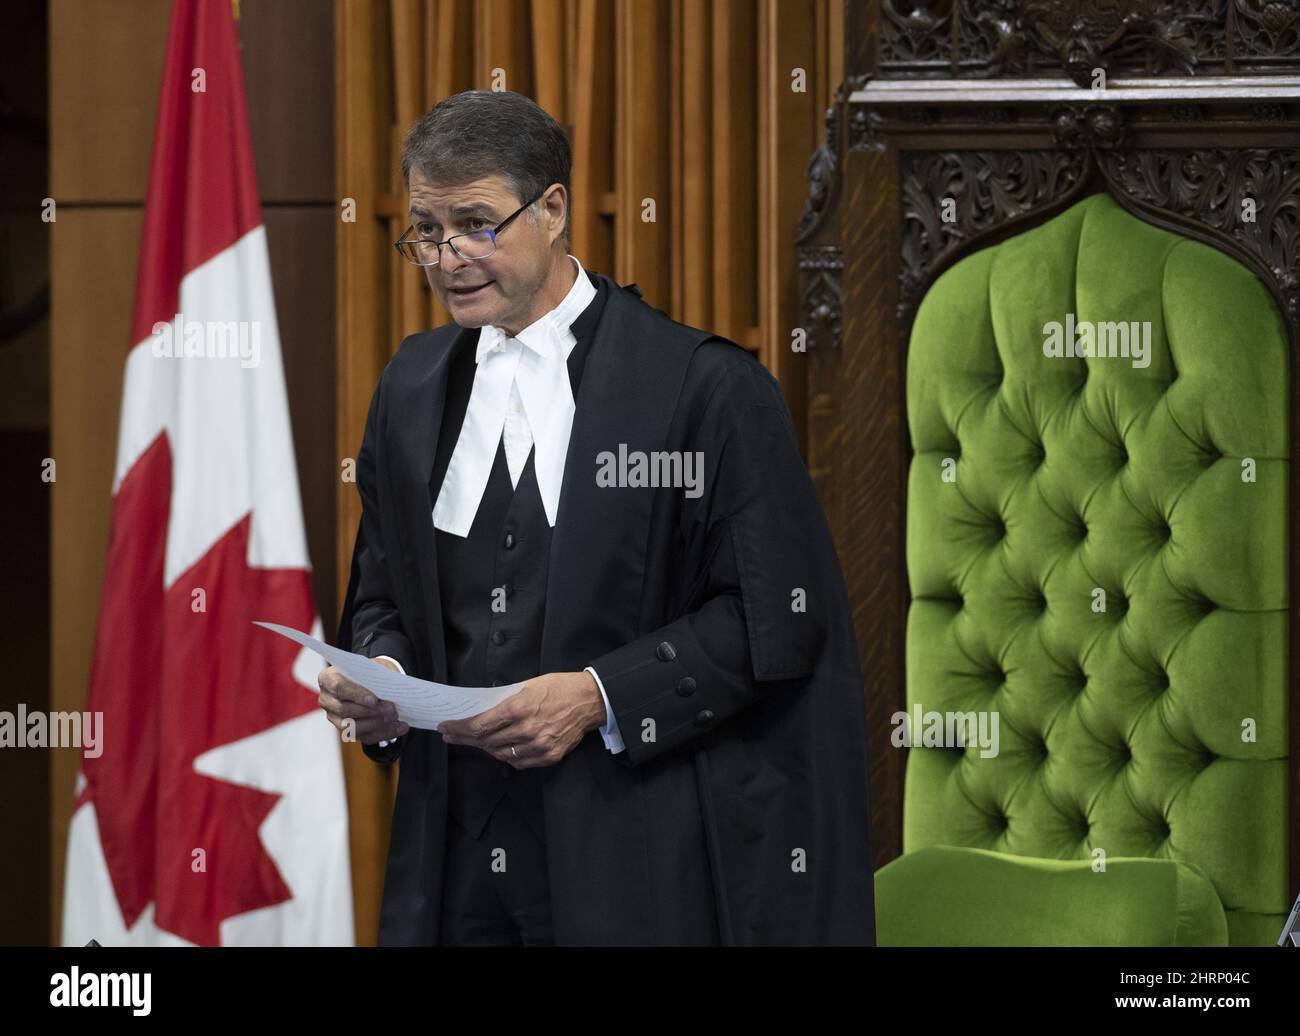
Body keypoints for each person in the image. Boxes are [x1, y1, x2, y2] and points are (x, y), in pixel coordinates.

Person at [318, 89, 875, 946]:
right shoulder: (409, 386)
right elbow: (382, 590)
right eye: (425, 231)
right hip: (450, 855)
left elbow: (776, 622)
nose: (447, 256)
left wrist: (598, 696)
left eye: (476, 222)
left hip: (633, 856)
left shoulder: (703, 388)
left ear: (553, 209)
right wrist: (383, 676)